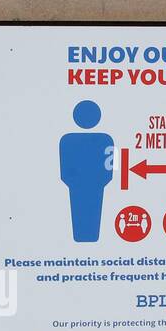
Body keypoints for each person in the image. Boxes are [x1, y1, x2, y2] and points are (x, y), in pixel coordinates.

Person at [59, 100, 114, 242]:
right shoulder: (106, 139)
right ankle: (86, 236)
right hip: (89, 183)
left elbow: (112, 168)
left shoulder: (66, 140)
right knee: (87, 212)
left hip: (83, 183)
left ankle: (85, 236)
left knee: (85, 211)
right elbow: (111, 168)